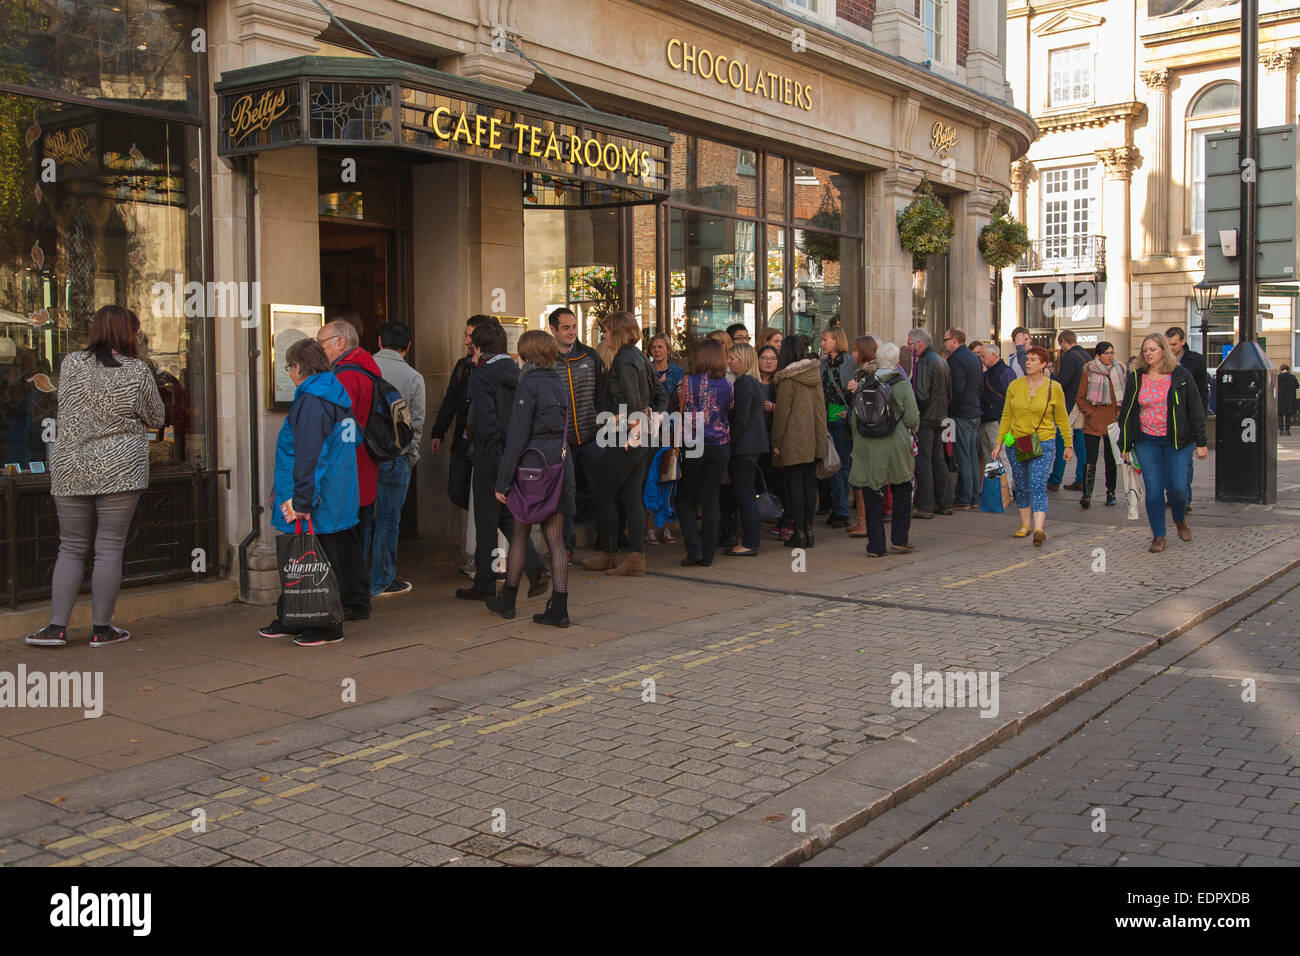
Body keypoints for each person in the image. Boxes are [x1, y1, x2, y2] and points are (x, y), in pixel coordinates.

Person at [28, 306, 164, 647]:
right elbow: (157, 416)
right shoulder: (137, 370)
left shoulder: (72, 363)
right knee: (108, 548)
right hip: (119, 465)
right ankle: (102, 630)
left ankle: (56, 628)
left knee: (70, 547)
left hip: (71, 462)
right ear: (127, 332)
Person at [259, 339, 359, 646]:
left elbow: (308, 453)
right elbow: (353, 439)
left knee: (313, 560)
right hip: (336, 489)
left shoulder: (312, 400)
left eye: (289, 366)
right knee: (309, 558)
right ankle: (291, 617)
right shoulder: (336, 395)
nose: (289, 372)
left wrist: (303, 499)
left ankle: (325, 626)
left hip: (316, 494)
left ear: (299, 367)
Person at [488, 331, 576, 627]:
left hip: (531, 466)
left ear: (527, 355)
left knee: (520, 533)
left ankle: (508, 599)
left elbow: (517, 436)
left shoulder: (528, 383)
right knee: (555, 538)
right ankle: (559, 608)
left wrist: (502, 481)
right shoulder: (559, 381)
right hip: (560, 464)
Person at [457, 321, 548, 599]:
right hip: (516, 454)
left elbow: (487, 422)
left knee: (486, 521)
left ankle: (484, 584)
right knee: (507, 516)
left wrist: (493, 460)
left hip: (490, 456)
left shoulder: (482, 375)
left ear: (480, 346)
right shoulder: (516, 371)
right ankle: (535, 569)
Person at [581, 311, 667, 575]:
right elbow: (661, 396)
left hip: (627, 440)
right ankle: (634, 559)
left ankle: (611, 554)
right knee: (631, 497)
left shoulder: (624, 358)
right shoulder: (639, 356)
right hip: (640, 439)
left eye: (606, 330)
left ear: (617, 331)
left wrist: (635, 421)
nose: (604, 334)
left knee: (604, 496)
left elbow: (634, 402)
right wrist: (651, 418)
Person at [1118, 333, 1209, 553]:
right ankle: (1158, 535)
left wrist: (1201, 442)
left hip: (1177, 441)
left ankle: (1179, 519)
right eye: (1145, 350)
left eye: (1153, 349)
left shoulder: (1181, 375)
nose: (1148, 353)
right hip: (1146, 441)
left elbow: (1195, 409)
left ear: (1163, 351)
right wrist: (1125, 445)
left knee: (1177, 488)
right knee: (1154, 489)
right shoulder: (1136, 377)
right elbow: (1128, 412)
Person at [317, 313, 380, 621]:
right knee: (354, 539)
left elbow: (340, 428)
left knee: (345, 542)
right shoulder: (368, 368)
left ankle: (353, 601)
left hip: (347, 471)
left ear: (339, 343)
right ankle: (357, 599)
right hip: (364, 468)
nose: (319, 351)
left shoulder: (344, 376)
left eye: (322, 344)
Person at [429, 314, 495, 577]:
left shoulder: (497, 367)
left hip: (486, 445)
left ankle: (483, 554)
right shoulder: (463, 366)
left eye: (471, 336)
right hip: (463, 442)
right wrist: (438, 431)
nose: (466, 340)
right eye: (465, 335)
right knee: (457, 490)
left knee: (484, 500)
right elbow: (450, 400)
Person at [993, 345, 1072, 546]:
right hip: (1017, 442)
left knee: (1037, 483)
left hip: (1044, 441)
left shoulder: (1054, 388)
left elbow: (1062, 418)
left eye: (1034, 359)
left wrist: (1069, 444)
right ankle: (1024, 524)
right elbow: (1007, 415)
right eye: (1027, 359)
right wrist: (999, 442)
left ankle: (1038, 528)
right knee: (1021, 484)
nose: (1028, 363)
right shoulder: (1015, 386)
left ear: (1044, 364)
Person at [369, 321, 425, 598]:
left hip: (363, 457)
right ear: (408, 346)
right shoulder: (413, 376)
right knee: (388, 521)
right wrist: (411, 456)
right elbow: (416, 423)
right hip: (395, 457)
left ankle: (355, 577)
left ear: (379, 341)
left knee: (359, 518)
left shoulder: (362, 369)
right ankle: (381, 579)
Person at [849, 342, 918, 558]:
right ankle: (899, 540)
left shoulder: (864, 382)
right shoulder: (903, 384)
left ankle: (876, 546)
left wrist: (856, 444)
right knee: (902, 489)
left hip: (867, 443)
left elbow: (855, 417)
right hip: (895, 443)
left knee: (872, 493)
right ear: (897, 362)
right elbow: (912, 418)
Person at [550, 307, 605, 557]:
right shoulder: (546, 360)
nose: (572, 332)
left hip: (592, 436)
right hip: (561, 442)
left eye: (574, 327)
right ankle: (566, 548)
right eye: (566, 327)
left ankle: (607, 542)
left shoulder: (590, 356)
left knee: (602, 489)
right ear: (553, 330)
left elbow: (603, 395)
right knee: (564, 494)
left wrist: (603, 426)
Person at [674, 338, 734, 566]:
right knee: (710, 500)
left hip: (693, 444)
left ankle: (694, 549)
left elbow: (674, 406)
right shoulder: (728, 384)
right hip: (719, 445)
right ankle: (708, 554)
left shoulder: (686, 382)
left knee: (685, 499)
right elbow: (730, 408)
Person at [771, 336, 826, 549]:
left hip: (793, 441)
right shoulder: (814, 376)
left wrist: (776, 442)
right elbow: (820, 411)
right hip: (812, 438)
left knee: (795, 486)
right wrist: (821, 439)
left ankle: (799, 532)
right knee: (810, 486)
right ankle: (809, 531)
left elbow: (782, 415)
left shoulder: (787, 379)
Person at [724, 343, 767, 556]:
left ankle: (750, 542)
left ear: (743, 360)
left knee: (745, 494)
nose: (729, 361)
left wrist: (728, 440)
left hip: (744, 447)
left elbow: (741, 420)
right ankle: (749, 538)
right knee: (746, 493)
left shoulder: (743, 383)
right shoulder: (753, 382)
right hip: (752, 445)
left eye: (732, 358)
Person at [906, 328, 953, 519]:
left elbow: (921, 395)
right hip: (941, 416)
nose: (908, 347)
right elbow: (949, 393)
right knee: (938, 459)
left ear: (919, 344)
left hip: (927, 418)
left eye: (910, 343)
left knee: (924, 460)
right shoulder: (941, 361)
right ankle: (944, 502)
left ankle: (925, 504)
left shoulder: (925, 362)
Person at [645, 332, 684, 544]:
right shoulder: (645, 370)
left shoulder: (678, 372)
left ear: (668, 349)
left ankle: (666, 527)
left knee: (668, 477)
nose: (657, 350)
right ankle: (649, 528)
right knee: (649, 479)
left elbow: (681, 402)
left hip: (671, 429)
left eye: (661, 346)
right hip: (649, 429)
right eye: (654, 347)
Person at [1075, 341, 1124, 509]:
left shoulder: (1119, 371)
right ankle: (1087, 494)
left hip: (1111, 420)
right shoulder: (1088, 372)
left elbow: (1123, 395)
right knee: (1091, 459)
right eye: (1106, 353)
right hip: (1093, 421)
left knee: (1111, 459)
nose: (1110, 356)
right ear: (1098, 355)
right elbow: (1080, 397)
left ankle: (1111, 493)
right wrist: (1090, 412)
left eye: (1111, 352)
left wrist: (1118, 412)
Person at [1166, 327, 1209, 510]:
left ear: (1183, 341)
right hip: (1166, 418)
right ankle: (1173, 495)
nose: (1171, 348)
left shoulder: (1196, 360)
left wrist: (1201, 415)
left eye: (1174, 344)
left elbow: (1201, 390)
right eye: (1168, 344)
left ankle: (1185, 498)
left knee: (1185, 461)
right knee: (1168, 460)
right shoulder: (1161, 359)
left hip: (1188, 417)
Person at [819, 325, 856, 529]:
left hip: (842, 417)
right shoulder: (822, 363)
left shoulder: (850, 362)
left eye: (826, 339)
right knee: (833, 464)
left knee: (841, 466)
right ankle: (839, 508)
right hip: (826, 417)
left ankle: (840, 510)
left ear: (836, 341)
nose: (822, 343)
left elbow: (857, 390)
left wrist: (849, 411)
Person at [944, 327, 983, 510]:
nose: (944, 343)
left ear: (955, 340)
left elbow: (957, 389)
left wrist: (952, 408)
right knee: (972, 455)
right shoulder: (974, 358)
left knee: (963, 456)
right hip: (974, 409)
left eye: (946, 340)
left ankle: (965, 498)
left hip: (963, 412)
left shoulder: (956, 359)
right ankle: (973, 497)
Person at [842, 335, 877, 537]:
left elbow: (870, 404)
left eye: (855, 350)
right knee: (859, 477)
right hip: (858, 431)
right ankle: (863, 520)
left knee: (861, 477)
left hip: (864, 433)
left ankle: (865, 522)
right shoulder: (862, 373)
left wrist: (858, 389)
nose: (852, 354)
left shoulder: (870, 374)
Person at [1047, 330, 1088, 492]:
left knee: (1062, 442)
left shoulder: (1070, 357)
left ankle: (1055, 479)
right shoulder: (1086, 355)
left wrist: (1050, 376)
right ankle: (1082, 478)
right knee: (1080, 445)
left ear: (1063, 341)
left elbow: (1062, 382)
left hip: (1070, 406)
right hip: (1083, 405)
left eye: (1060, 344)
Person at [757, 344, 790, 540]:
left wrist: (774, 407)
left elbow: (789, 410)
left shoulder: (781, 383)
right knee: (756, 483)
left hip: (775, 440)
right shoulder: (751, 382)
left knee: (780, 484)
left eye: (773, 358)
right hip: (756, 440)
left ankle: (784, 522)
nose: (769, 361)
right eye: (764, 357)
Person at [978, 342, 1015, 466]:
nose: (981, 360)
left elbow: (1012, 399)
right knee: (991, 458)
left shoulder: (1005, 372)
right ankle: (995, 484)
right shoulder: (988, 373)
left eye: (983, 356)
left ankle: (1005, 485)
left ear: (993, 355)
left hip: (998, 421)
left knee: (1000, 456)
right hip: (988, 419)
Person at [1279, 364, 1299, 435]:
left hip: (1280, 400)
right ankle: (1287, 431)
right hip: (1290, 400)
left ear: (1281, 369)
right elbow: (1297, 385)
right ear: (1288, 369)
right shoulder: (1292, 377)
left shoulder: (1278, 377)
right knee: (1288, 415)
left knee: (1280, 415)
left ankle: (1281, 431)